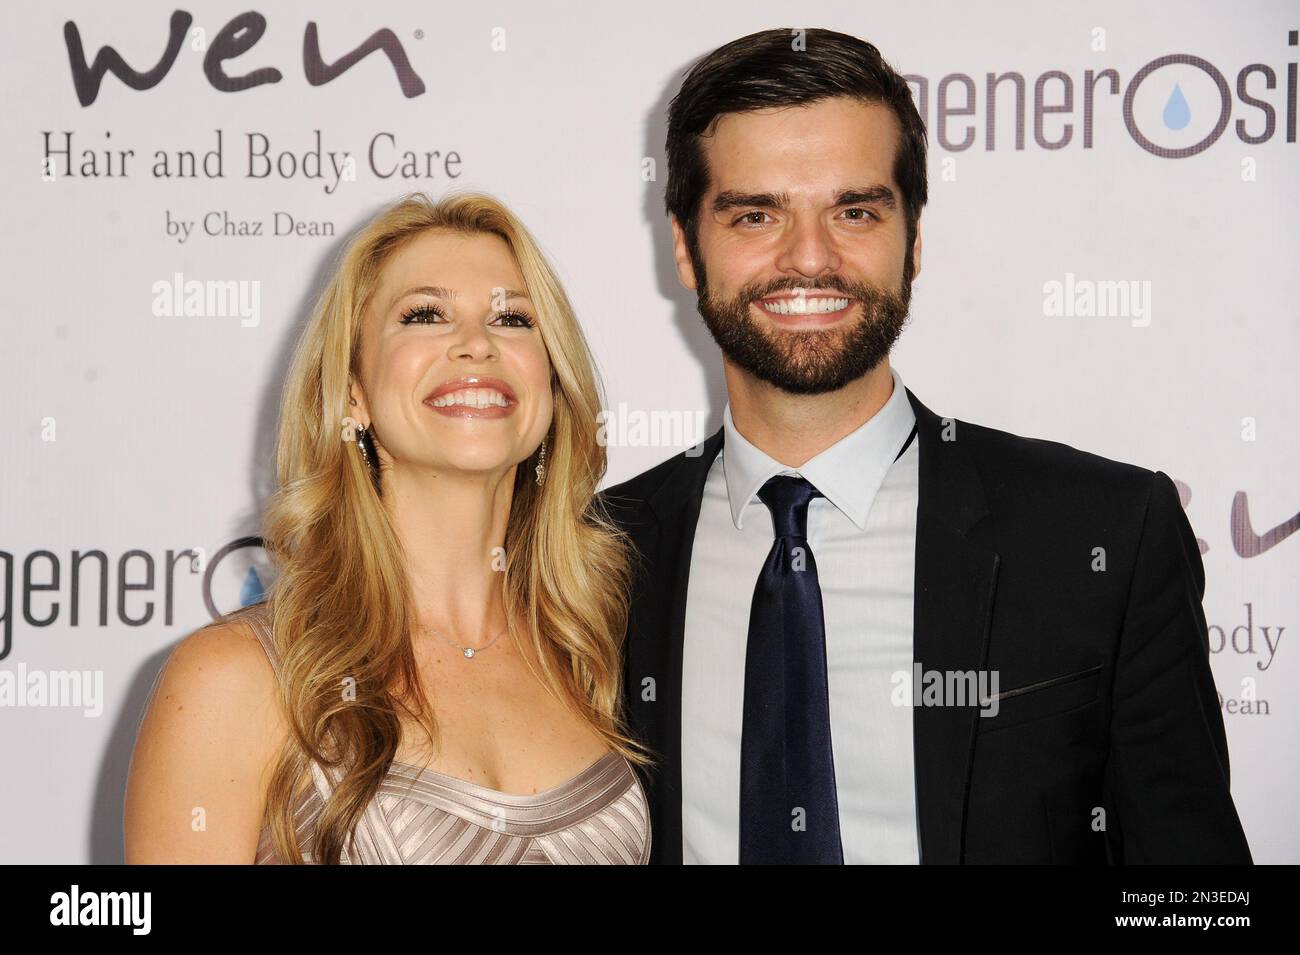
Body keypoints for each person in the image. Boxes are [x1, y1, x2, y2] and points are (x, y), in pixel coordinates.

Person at [601, 28, 1252, 864]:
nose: (810, 257)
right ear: (688, 249)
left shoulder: (1104, 534)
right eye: (756, 214)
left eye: (855, 211)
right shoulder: (593, 558)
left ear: (912, 243)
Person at [125, 192, 651, 864]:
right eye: (425, 314)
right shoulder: (237, 675)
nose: (476, 344)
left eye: (514, 318)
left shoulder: (596, 655)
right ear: (354, 393)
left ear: (551, 381)